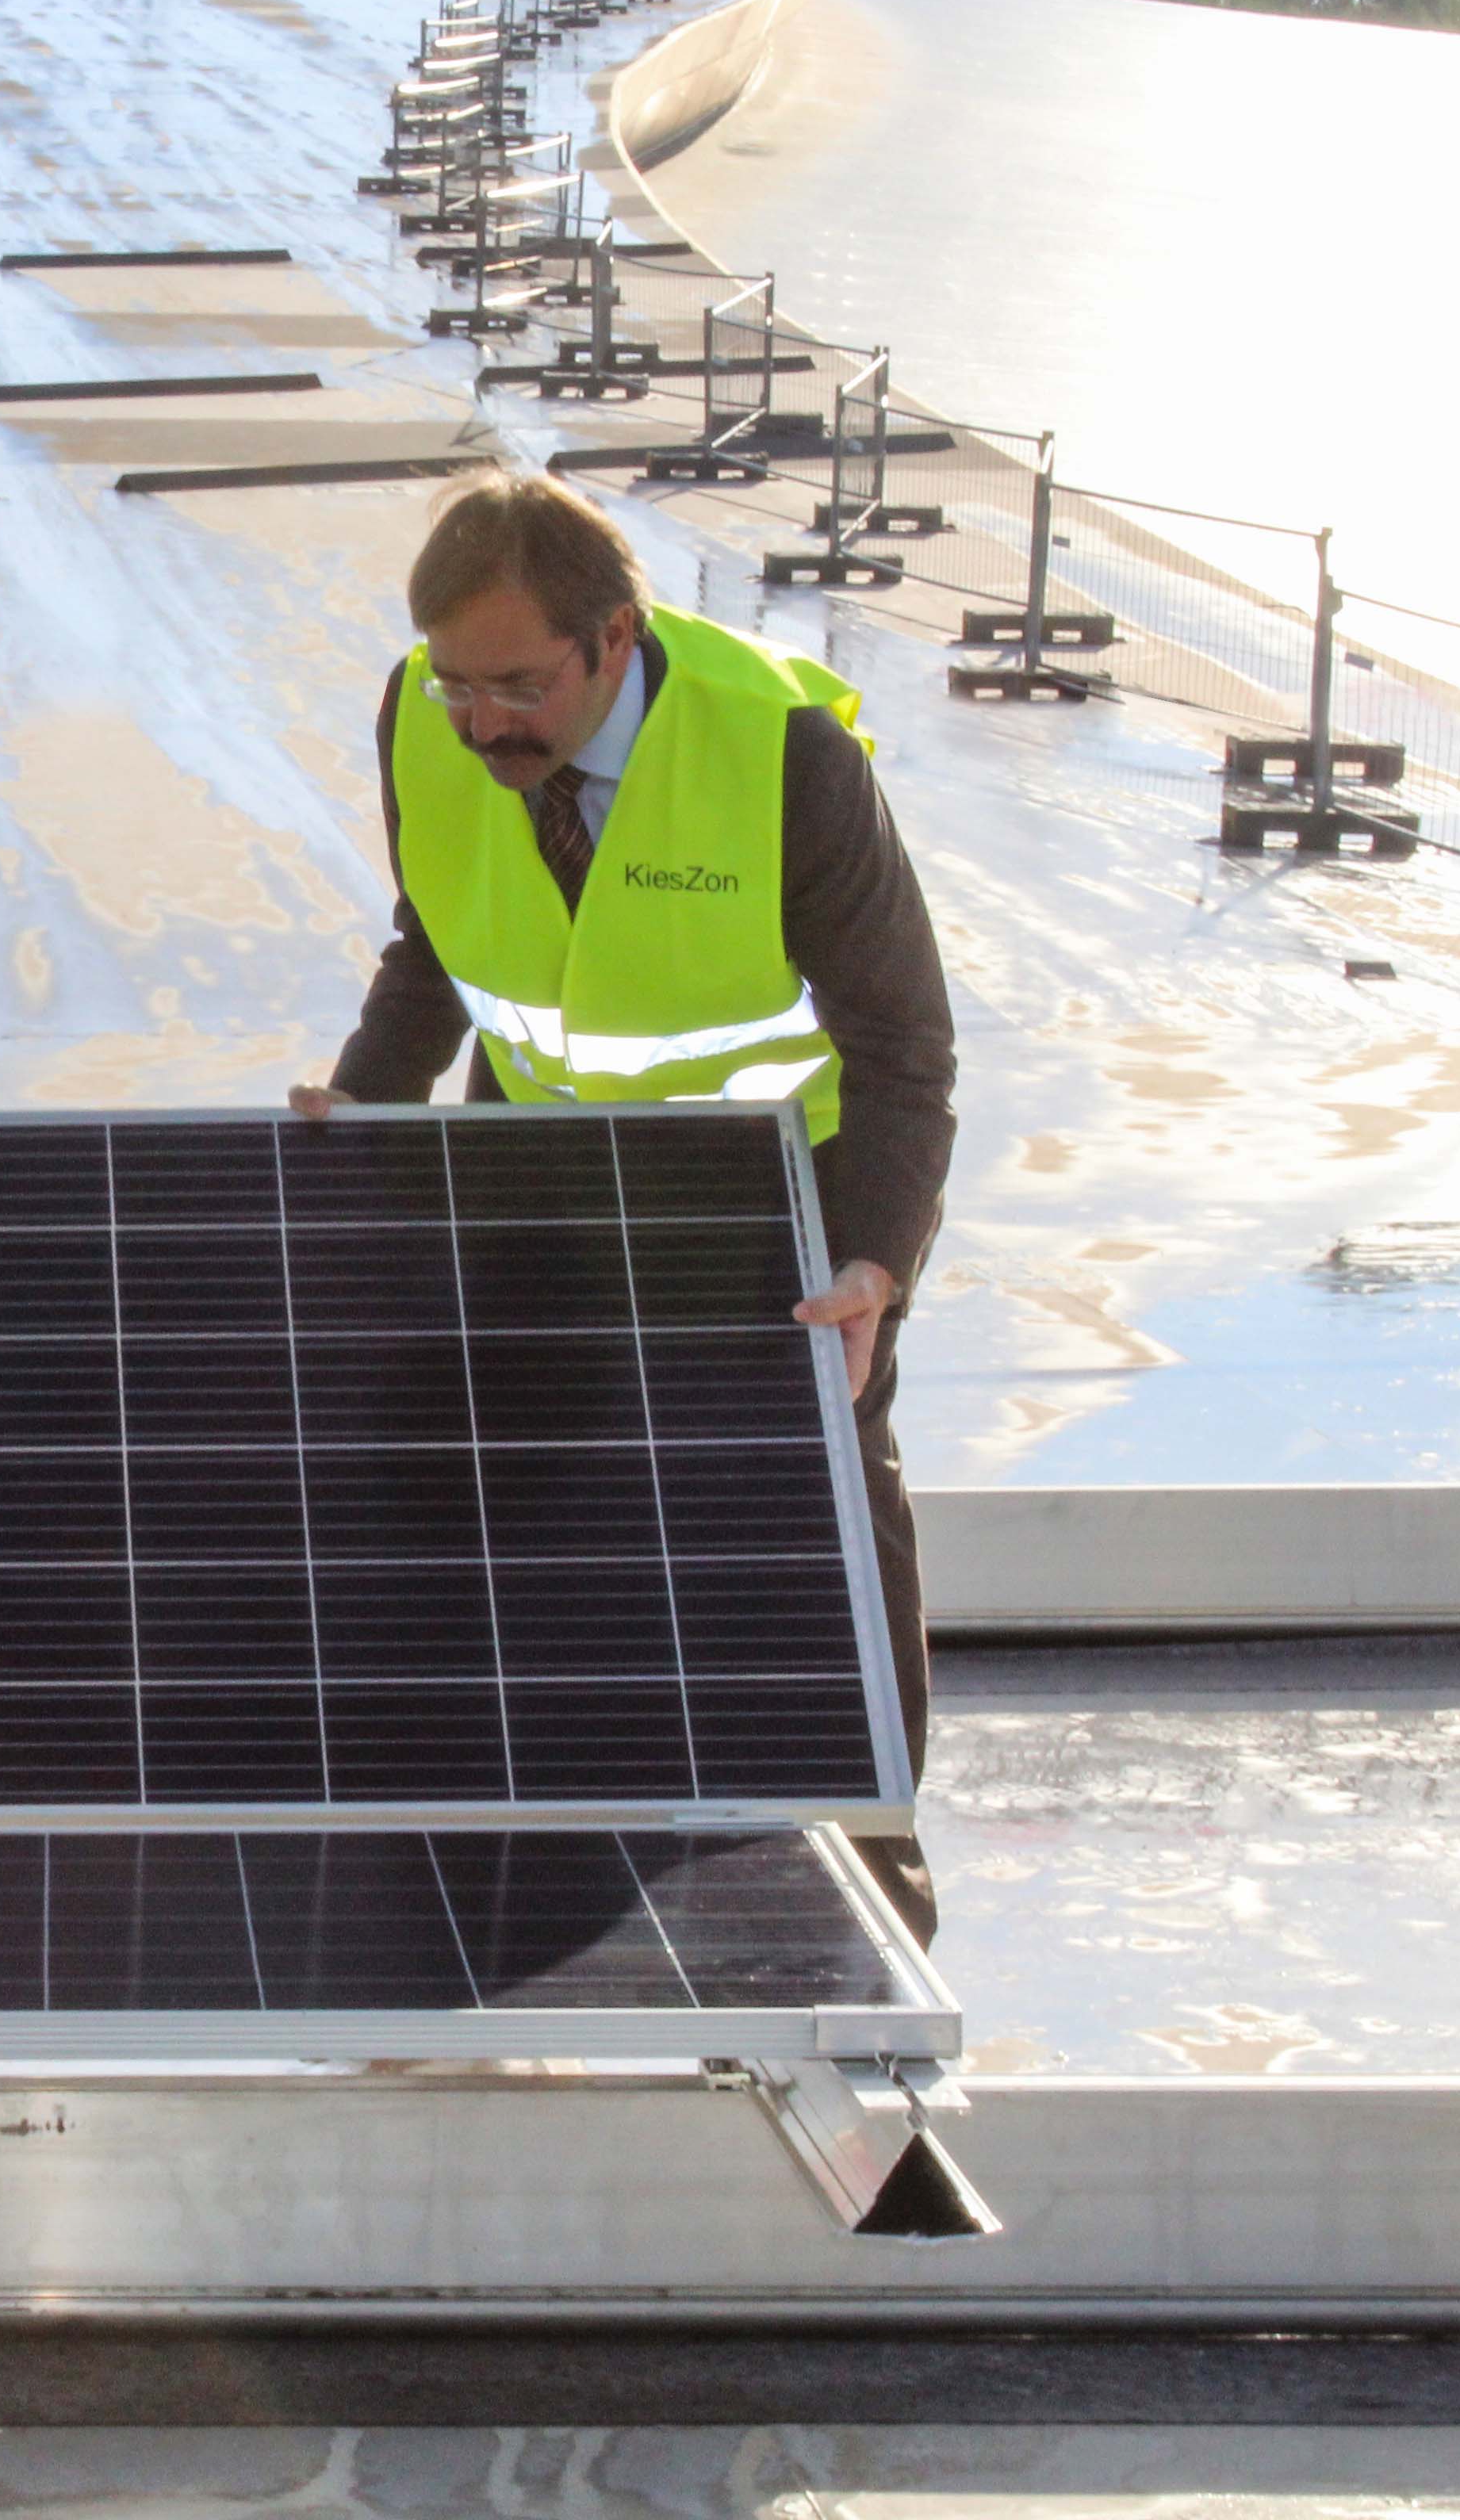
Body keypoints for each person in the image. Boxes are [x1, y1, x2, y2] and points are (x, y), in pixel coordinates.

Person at [294, 464, 956, 1939]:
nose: (481, 722)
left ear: (611, 638)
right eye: (456, 686)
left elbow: (906, 1049)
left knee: (818, 1538)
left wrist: (872, 1265)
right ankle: (513, 1869)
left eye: (517, 686)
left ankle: (867, 1893)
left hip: (766, 1200)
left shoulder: (779, 755)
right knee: (491, 1509)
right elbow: (434, 945)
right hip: (533, 1178)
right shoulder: (419, 714)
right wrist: (361, 1120)